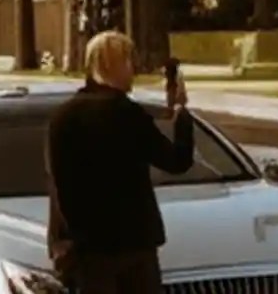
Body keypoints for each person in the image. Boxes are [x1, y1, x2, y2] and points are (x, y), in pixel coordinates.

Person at [45, 31, 194, 294]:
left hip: (85, 251)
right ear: (114, 65)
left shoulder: (62, 117)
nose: (133, 70)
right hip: (132, 246)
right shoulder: (128, 115)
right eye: (129, 61)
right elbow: (177, 161)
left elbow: (60, 186)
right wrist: (180, 112)